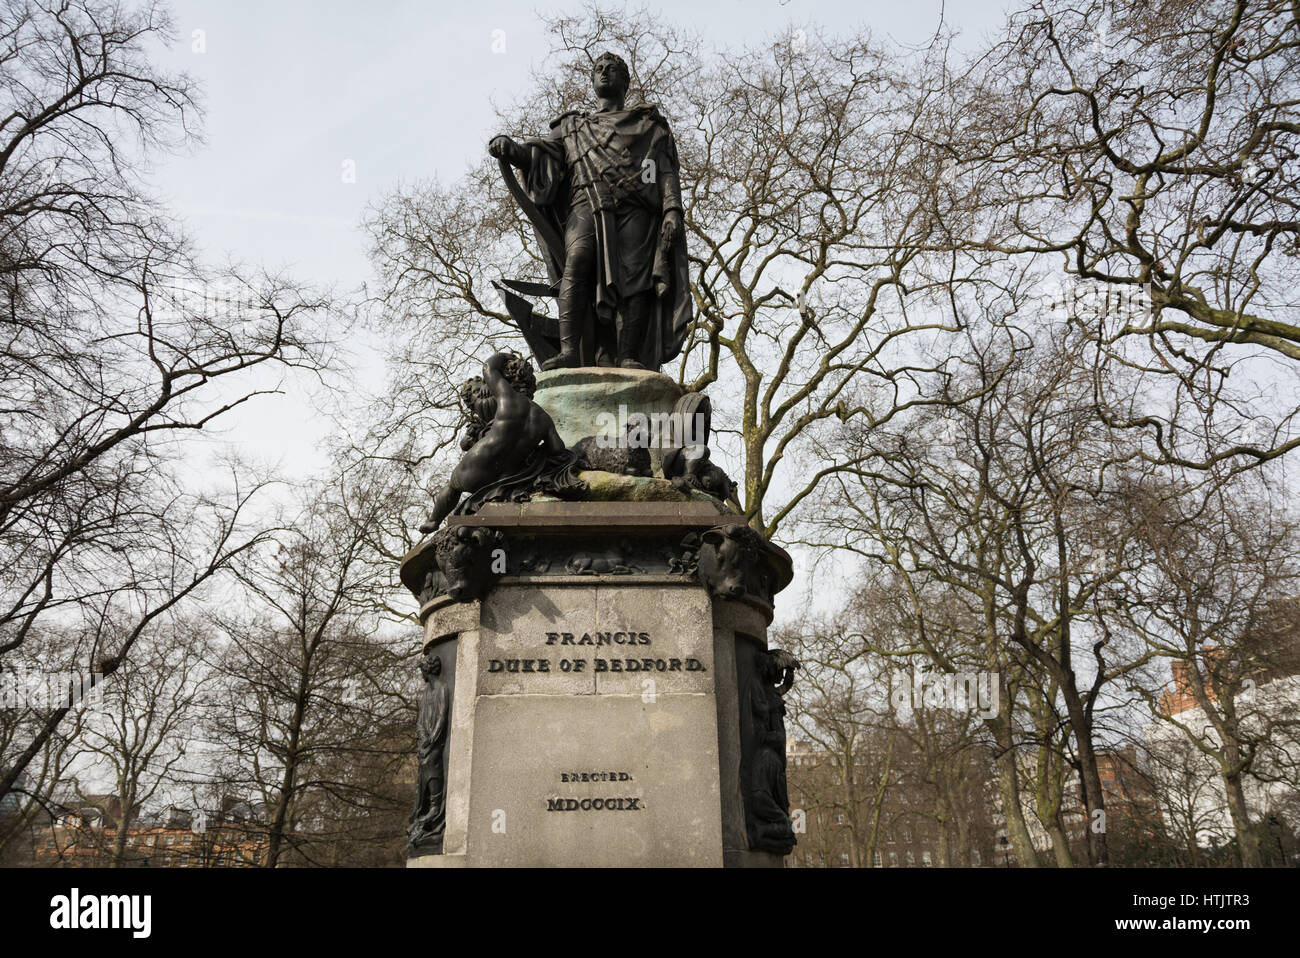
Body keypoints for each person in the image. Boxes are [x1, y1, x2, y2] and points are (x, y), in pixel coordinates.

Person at [490, 51, 691, 371]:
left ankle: (628, 355)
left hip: (635, 208)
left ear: (625, 81)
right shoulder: (573, 127)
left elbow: (662, 171)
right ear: (593, 80)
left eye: (612, 69)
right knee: (578, 261)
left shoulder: (648, 127)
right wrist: (512, 150)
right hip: (585, 203)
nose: (605, 73)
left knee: (636, 280)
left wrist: (671, 210)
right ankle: (570, 352)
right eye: (599, 69)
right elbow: (541, 157)